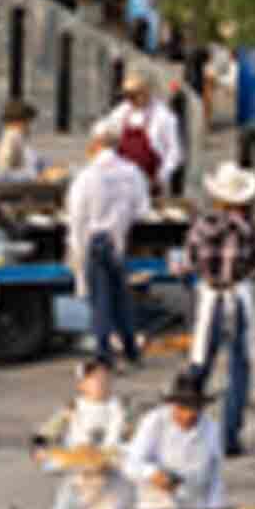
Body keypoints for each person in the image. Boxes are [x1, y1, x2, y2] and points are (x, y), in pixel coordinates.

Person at [183, 158, 255, 458]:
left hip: (209, 297)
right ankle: (229, 435)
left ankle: (186, 421)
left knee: (200, 362)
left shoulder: (202, 225)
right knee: (239, 368)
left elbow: (191, 259)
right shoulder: (248, 228)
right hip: (237, 298)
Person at [63, 113, 151, 369]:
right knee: (121, 299)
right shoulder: (131, 173)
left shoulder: (86, 177)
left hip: (95, 242)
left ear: (95, 144)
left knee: (100, 301)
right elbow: (142, 209)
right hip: (117, 242)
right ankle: (132, 352)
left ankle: (104, 355)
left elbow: (76, 218)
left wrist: (76, 253)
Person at [35, 358, 131, 509]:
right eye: (95, 379)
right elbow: (46, 433)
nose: (101, 383)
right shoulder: (73, 408)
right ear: (82, 384)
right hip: (78, 468)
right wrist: (40, 449)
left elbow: (130, 438)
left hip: (109, 468)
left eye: (106, 378)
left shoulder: (119, 409)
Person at [124, 365, 225, 509]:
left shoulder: (212, 429)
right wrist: (151, 473)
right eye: (184, 407)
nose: (189, 414)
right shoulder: (155, 422)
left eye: (195, 407)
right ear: (174, 405)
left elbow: (215, 479)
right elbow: (130, 463)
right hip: (155, 507)